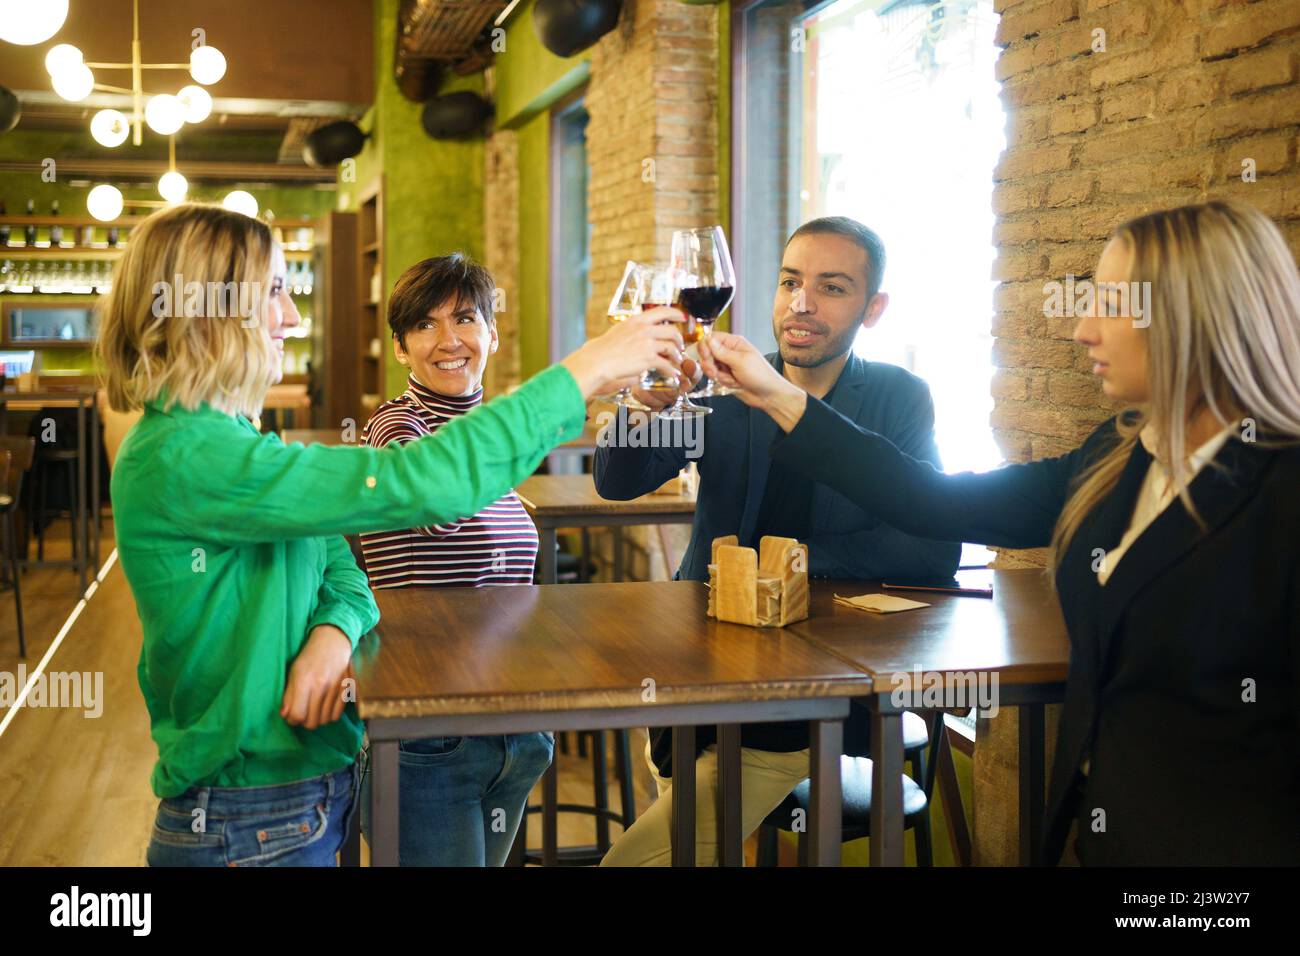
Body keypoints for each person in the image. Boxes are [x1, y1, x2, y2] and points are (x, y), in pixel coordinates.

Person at [697, 199, 1300, 866]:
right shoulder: (1122, 452)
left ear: (1193, 317)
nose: (1080, 330)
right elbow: (933, 501)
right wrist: (778, 394)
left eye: (1108, 302)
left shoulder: (1281, 488)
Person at [99, 202, 685, 867]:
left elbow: (341, 567)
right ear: (204, 307)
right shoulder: (187, 456)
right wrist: (587, 369)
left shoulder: (230, 438)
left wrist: (332, 633)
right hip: (246, 815)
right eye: (273, 292)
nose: (291, 317)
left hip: (300, 796)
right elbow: (426, 483)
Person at [597, 216, 959, 866]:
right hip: (691, 678)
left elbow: (928, 552)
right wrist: (650, 401)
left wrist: (779, 570)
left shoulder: (899, 399)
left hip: (807, 700)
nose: (802, 303)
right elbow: (618, 480)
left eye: (832, 287)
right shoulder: (725, 384)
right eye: (791, 281)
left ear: (873, 309)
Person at [355, 254, 553, 865]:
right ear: (400, 347)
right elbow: (443, 502)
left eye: (465, 319)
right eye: (424, 325)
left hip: (509, 726)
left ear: (491, 334)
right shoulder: (395, 428)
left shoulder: (487, 431)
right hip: (428, 732)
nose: (448, 340)